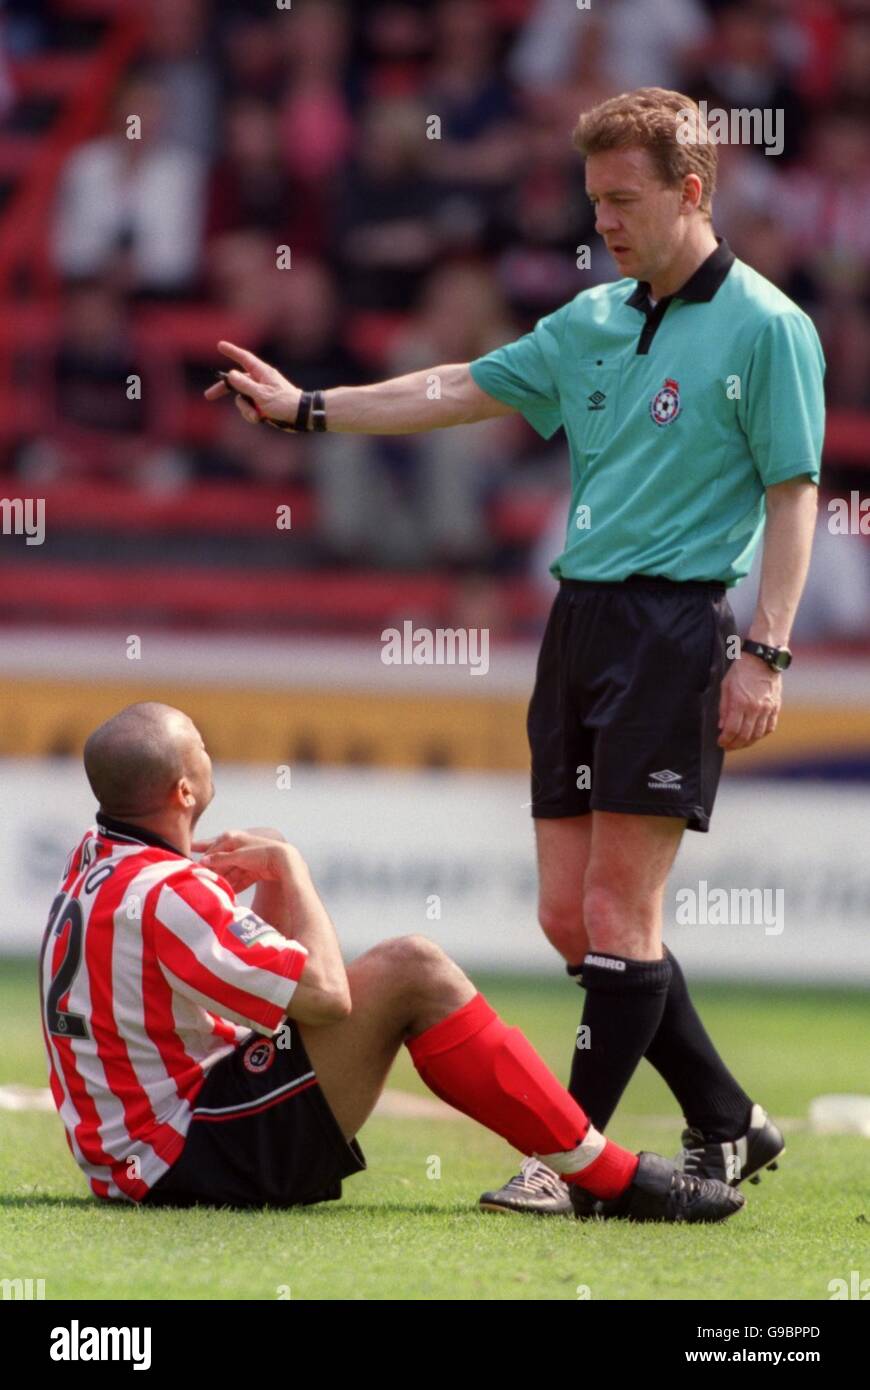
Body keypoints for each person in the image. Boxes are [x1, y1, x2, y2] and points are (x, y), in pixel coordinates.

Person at [204, 87, 824, 1215]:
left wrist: (766, 653)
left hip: (678, 628)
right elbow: (454, 388)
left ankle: (571, 1165)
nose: (605, 222)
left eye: (624, 199)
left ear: (693, 190)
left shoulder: (771, 328)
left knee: (620, 917)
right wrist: (309, 409)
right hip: (580, 623)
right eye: (594, 201)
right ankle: (727, 1117)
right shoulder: (587, 321)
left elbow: (794, 495)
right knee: (564, 917)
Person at [39, 701, 742, 1223]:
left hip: (129, 1156)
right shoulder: (173, 893)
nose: (207, 749)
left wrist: (269, 884)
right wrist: (292, 869)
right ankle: (617, 1180)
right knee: (413, 968)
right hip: (185, 1157)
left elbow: (281, 1002)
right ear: (183, 792)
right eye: (198, 744)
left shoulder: (95, 861)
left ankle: (589, 1168)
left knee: (392, 967)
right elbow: (325, 998)